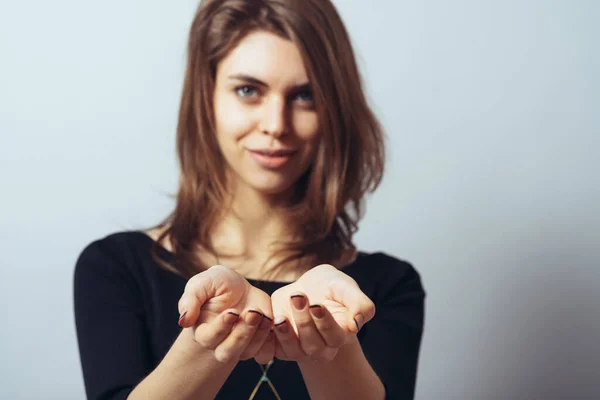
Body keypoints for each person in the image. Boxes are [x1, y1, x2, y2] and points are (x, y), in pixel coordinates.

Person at [73, 0, 426, 399]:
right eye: (248, 90)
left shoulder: (386, 288)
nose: (276, 125)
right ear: (206, 98)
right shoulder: (116, 267)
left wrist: (331, 345)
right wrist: (209, 340)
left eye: (305, 96)